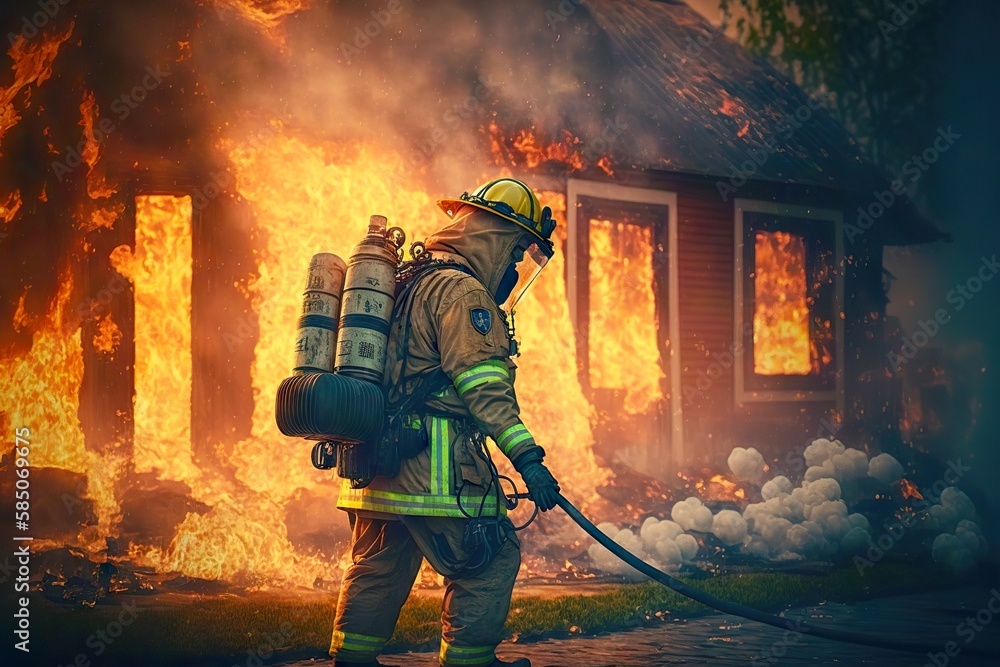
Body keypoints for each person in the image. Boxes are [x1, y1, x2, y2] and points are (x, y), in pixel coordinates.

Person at [330, 178, 562, 667]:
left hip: (376, 466)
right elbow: (486, 392)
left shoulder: (410, 279)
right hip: (438, 473)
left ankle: (351, 661)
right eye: (518, 249)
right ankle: (469, 662)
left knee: (376, 569)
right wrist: (529, 460)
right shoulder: (463, 294)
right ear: (494, 238)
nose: (518, 265)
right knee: (490, 561)